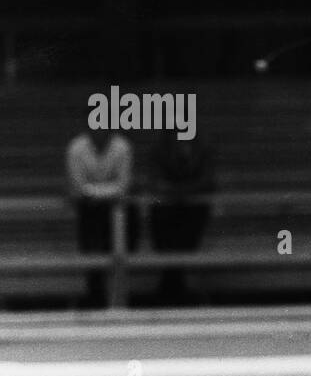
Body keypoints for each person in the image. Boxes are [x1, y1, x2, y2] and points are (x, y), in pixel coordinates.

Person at [65, 123, 135, 309]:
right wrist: (107, 192)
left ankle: (118, 301)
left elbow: (124, 187)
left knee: (119, 255)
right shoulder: (76, 147)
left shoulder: (122, 146)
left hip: (117, 213)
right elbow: (78, 188)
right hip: (88, 212)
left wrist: (92, 193)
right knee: (92, 257)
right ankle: (95, 300)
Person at [149, 127, 216, 304]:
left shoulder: (201, 142)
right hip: (167, 211)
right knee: (166, 231)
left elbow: (208, 180)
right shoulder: (161, 143)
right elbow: (155, 181)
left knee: (185, 236)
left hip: (194, 211)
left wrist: (179, 191)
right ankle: (174, 289)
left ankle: (172, 290)